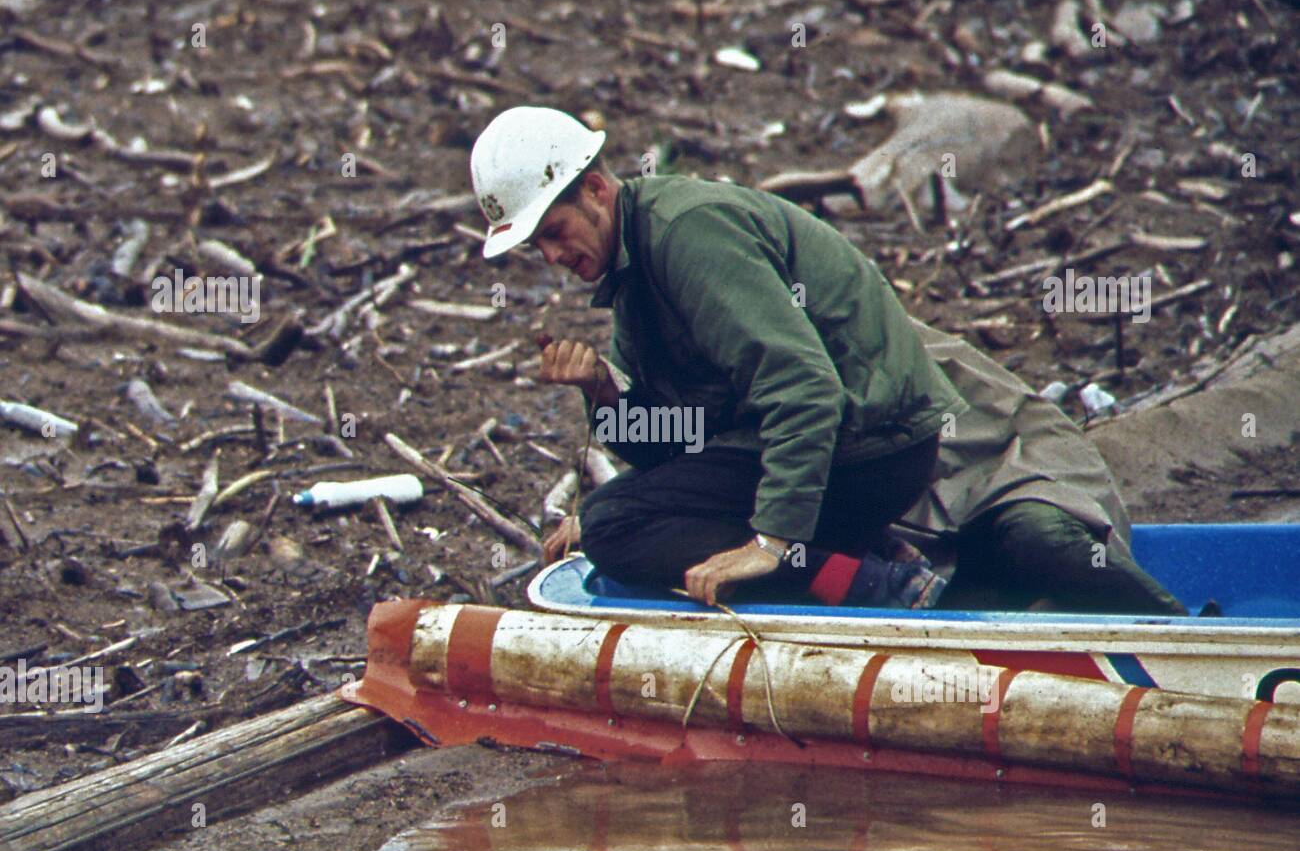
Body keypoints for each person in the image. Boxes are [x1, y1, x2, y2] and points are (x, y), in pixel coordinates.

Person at [471, 106, 1186, 616]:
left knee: (616, 524)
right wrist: (603, 395)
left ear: (596, 189)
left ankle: (863, 578)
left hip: (873, 450)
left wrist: (772, 542)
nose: (554, 258)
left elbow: (805, 388)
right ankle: (860, 566)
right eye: (537, 248)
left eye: (554, 232)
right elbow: (681, 442)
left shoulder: (688, 234)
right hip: (825, 454)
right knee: (614, 518)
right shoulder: (631, 276)